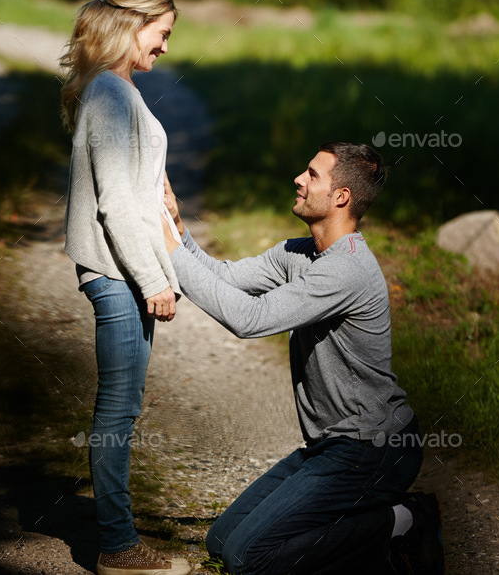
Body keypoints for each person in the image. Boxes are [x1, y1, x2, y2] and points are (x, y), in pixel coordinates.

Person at [160, 142, 445, 575]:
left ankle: (404, 521)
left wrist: (170, 251)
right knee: (221, 541)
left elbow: (249, 319)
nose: (299, 178)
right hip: (330, 446)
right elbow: (226, 277)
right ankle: (359, 532)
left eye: (313, 174)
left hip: (374, 450)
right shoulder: (301, 252)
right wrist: (179, 233)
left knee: (248, 558)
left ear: (341, 197)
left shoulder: (346, 269)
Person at [61, 0, 191, 575]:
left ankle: (119, 537)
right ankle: (117, 547)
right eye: (161, 34)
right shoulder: (111, 93)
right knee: (118, 410)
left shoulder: (116, 90)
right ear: (132, 24)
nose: (165, 47)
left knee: (124, 406)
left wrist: (161, 187)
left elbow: (130, 180)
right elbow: (113, 203)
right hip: (118, 274)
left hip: (122, 272)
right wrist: (154, 281)